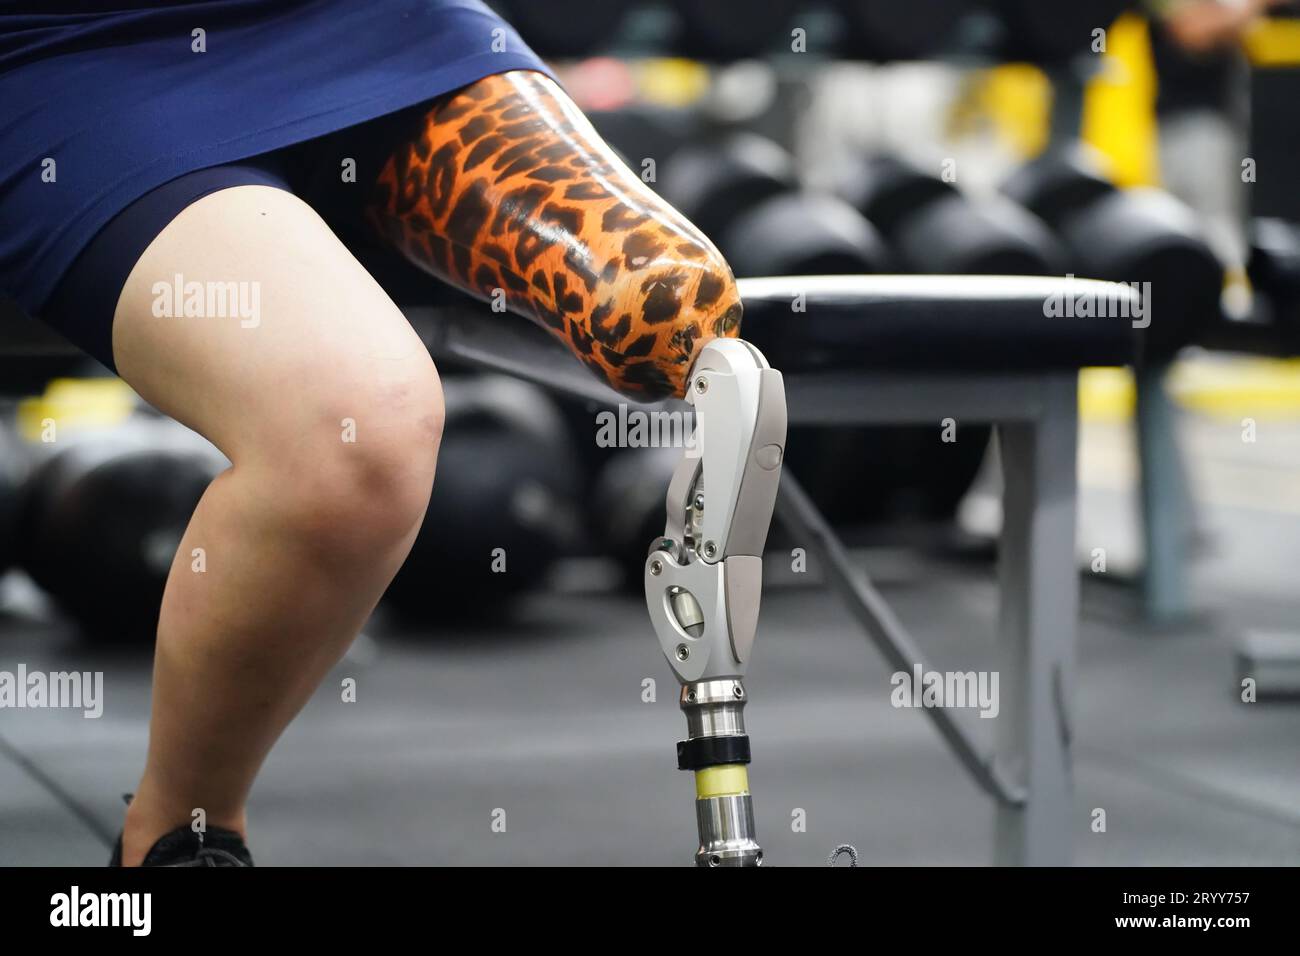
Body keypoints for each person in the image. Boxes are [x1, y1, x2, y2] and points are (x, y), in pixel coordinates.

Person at [0, 1, 741, 866]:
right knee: (355, 429)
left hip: (383, 28)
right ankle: (180, 832)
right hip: (74, 56)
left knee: (671, 311)